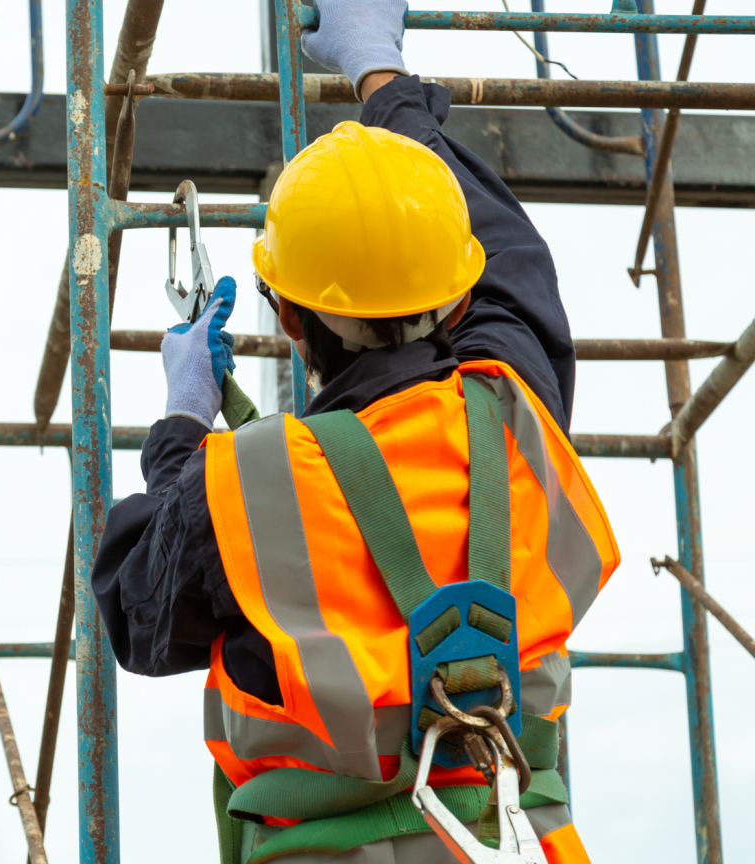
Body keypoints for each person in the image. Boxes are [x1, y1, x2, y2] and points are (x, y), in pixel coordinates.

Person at [89, 1, 620, 862]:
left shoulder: (243, 489)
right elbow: (509, 258)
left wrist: (184, 418)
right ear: (456, 295)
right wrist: (379, 68)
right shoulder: (517, 411)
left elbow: (132, 601)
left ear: (289, 318)